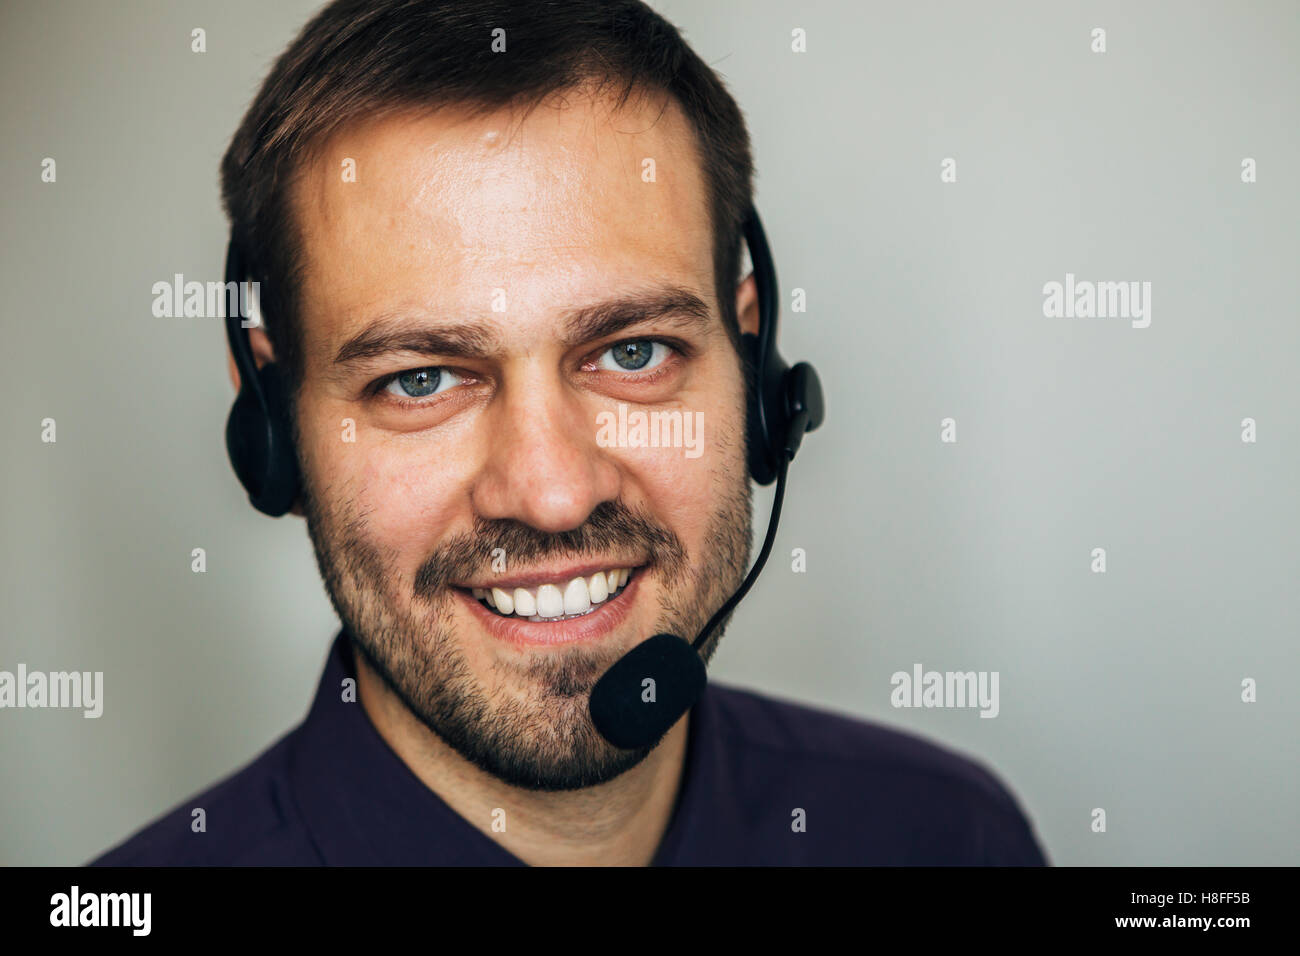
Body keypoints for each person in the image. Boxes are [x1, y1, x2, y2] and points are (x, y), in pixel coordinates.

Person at [91, 0, 1048, 866]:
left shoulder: (948, 836)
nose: (552, 492)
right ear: (270, 424)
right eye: (420, 379)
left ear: (756, 372)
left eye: (633, 354)